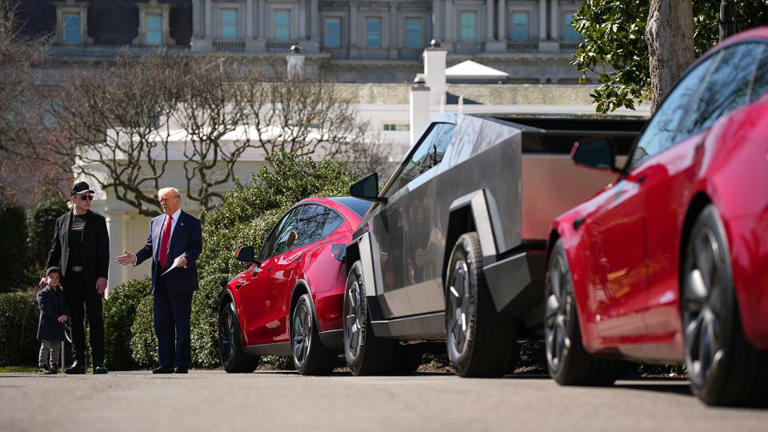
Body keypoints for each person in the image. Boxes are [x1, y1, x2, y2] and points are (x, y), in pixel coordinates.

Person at [116, 187, 202, 374]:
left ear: (177, 200)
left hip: (181, 280)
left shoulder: (191, 222)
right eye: (160, 200)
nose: (162, 203)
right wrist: (136, 257)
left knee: (181, 324)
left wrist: (187, 258)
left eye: (166, 199)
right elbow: (149, 248)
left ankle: (182, 363)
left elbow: (196, 247)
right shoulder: (155, 222)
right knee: (162, 325)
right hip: (160, 280)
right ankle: (166, 363)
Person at [45, 181, 109, 374]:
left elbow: (103, 252)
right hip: (70, 279)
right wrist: (47, 274)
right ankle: (78, 362)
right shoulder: (61, 221)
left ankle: (98, 362)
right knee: (75, 321)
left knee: (95, 319)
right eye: (84, 197)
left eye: (90, 197)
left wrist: (102, 276)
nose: (88, 200)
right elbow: (55, 250)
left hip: (92, 279)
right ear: (73, 199)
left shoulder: (98, 221)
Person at [37, 267, 69, 375]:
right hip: (47, 324)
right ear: (46, 279)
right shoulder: (42, 293)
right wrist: (57, 316)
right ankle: (42, 365)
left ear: (59, 280)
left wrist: (65, 315)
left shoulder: (62, 293)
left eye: (57, 277)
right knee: (45, 346)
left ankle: (54, 365)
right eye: (51, 277)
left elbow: (66, 306)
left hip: (58, 325)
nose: (54, 279)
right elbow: (45, 308)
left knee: (56, 346)